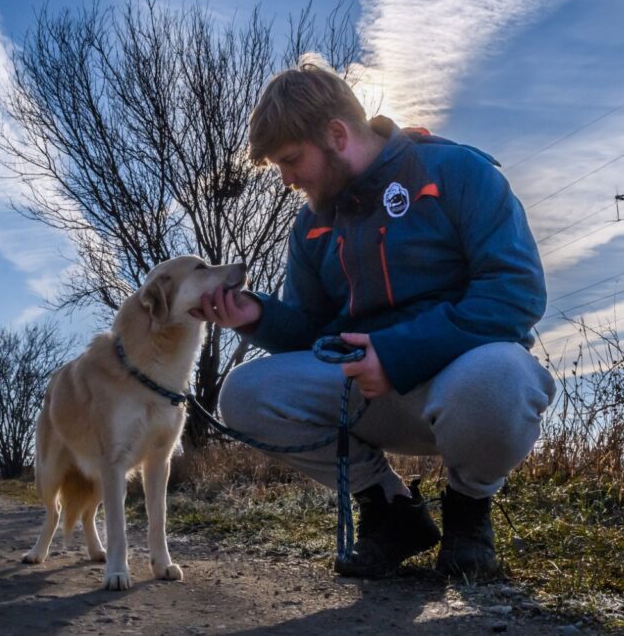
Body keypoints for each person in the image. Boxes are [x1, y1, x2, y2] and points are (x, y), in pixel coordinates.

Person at [190, 53, 556, 579]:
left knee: (502, 376)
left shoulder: (457, 172)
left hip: (459, 385)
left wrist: (399, 354)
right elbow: (314, 331)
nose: (287, 179)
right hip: (363, 394)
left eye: (292, 160)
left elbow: (515, 292)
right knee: (244, 394)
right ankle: (390, 510)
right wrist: (258, 315)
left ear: (338, 135)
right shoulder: (311, 225)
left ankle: (468, 512)